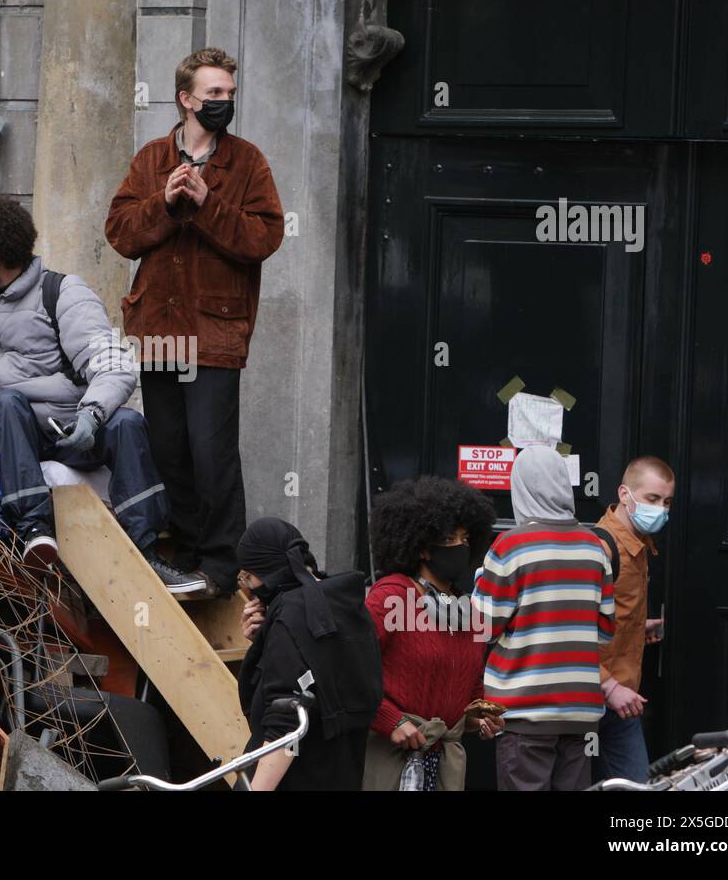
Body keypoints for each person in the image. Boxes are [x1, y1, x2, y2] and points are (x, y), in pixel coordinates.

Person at [0, 193, 192, 590]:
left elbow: (113, 364)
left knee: (127, 423)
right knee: (8, 401)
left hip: (65, 427)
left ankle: (146, 554)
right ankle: (34, 529)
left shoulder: (62, 293)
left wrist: (93, 413)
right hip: (1, 430)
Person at [105, 47, 284, 597]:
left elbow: (264, 238)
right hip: (160, 328)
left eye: (229, 94)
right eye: (213, 94)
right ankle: (182, 557)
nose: (223, 102)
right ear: (186, 99)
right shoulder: (151, 159)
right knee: (169, 450)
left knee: (212, 453)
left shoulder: (247, 162)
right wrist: (163, 200)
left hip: (215, 331)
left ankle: (221, 567)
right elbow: (120, 233)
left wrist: (207, 203)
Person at [472, 445, 615, 790]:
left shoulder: (511, 546)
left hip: (525, 711)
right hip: (579, 712)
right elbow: (605, 633)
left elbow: (482, 627)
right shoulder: (594, 547)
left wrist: (480, 580)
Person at [361, 476, 503, 791]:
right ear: (423, 548)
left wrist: (479, 716)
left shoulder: (468, 611)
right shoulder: (390, 597)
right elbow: (351, 671)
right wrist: (390, 720)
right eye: (452, 539)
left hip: (443, 764)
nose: (462, 548)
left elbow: (471, 687)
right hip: (392, 758)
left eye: (467, 539)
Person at [235, 517, 383, 790]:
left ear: (264, 570)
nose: (246, 587)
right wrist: (264, 641)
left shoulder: (291, 618)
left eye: (247, 577)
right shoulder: (344, 604)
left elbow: (285, 724)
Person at [592, 456, 674, 784]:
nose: (662, 509)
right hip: (593, 697)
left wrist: (640, 628)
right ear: (625, 495)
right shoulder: (602, 548)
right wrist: (607, 686)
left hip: (622, 701)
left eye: (667, 502)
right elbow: (571, 629)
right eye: (653, 499)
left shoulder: (638, 544)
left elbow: (610, 617)